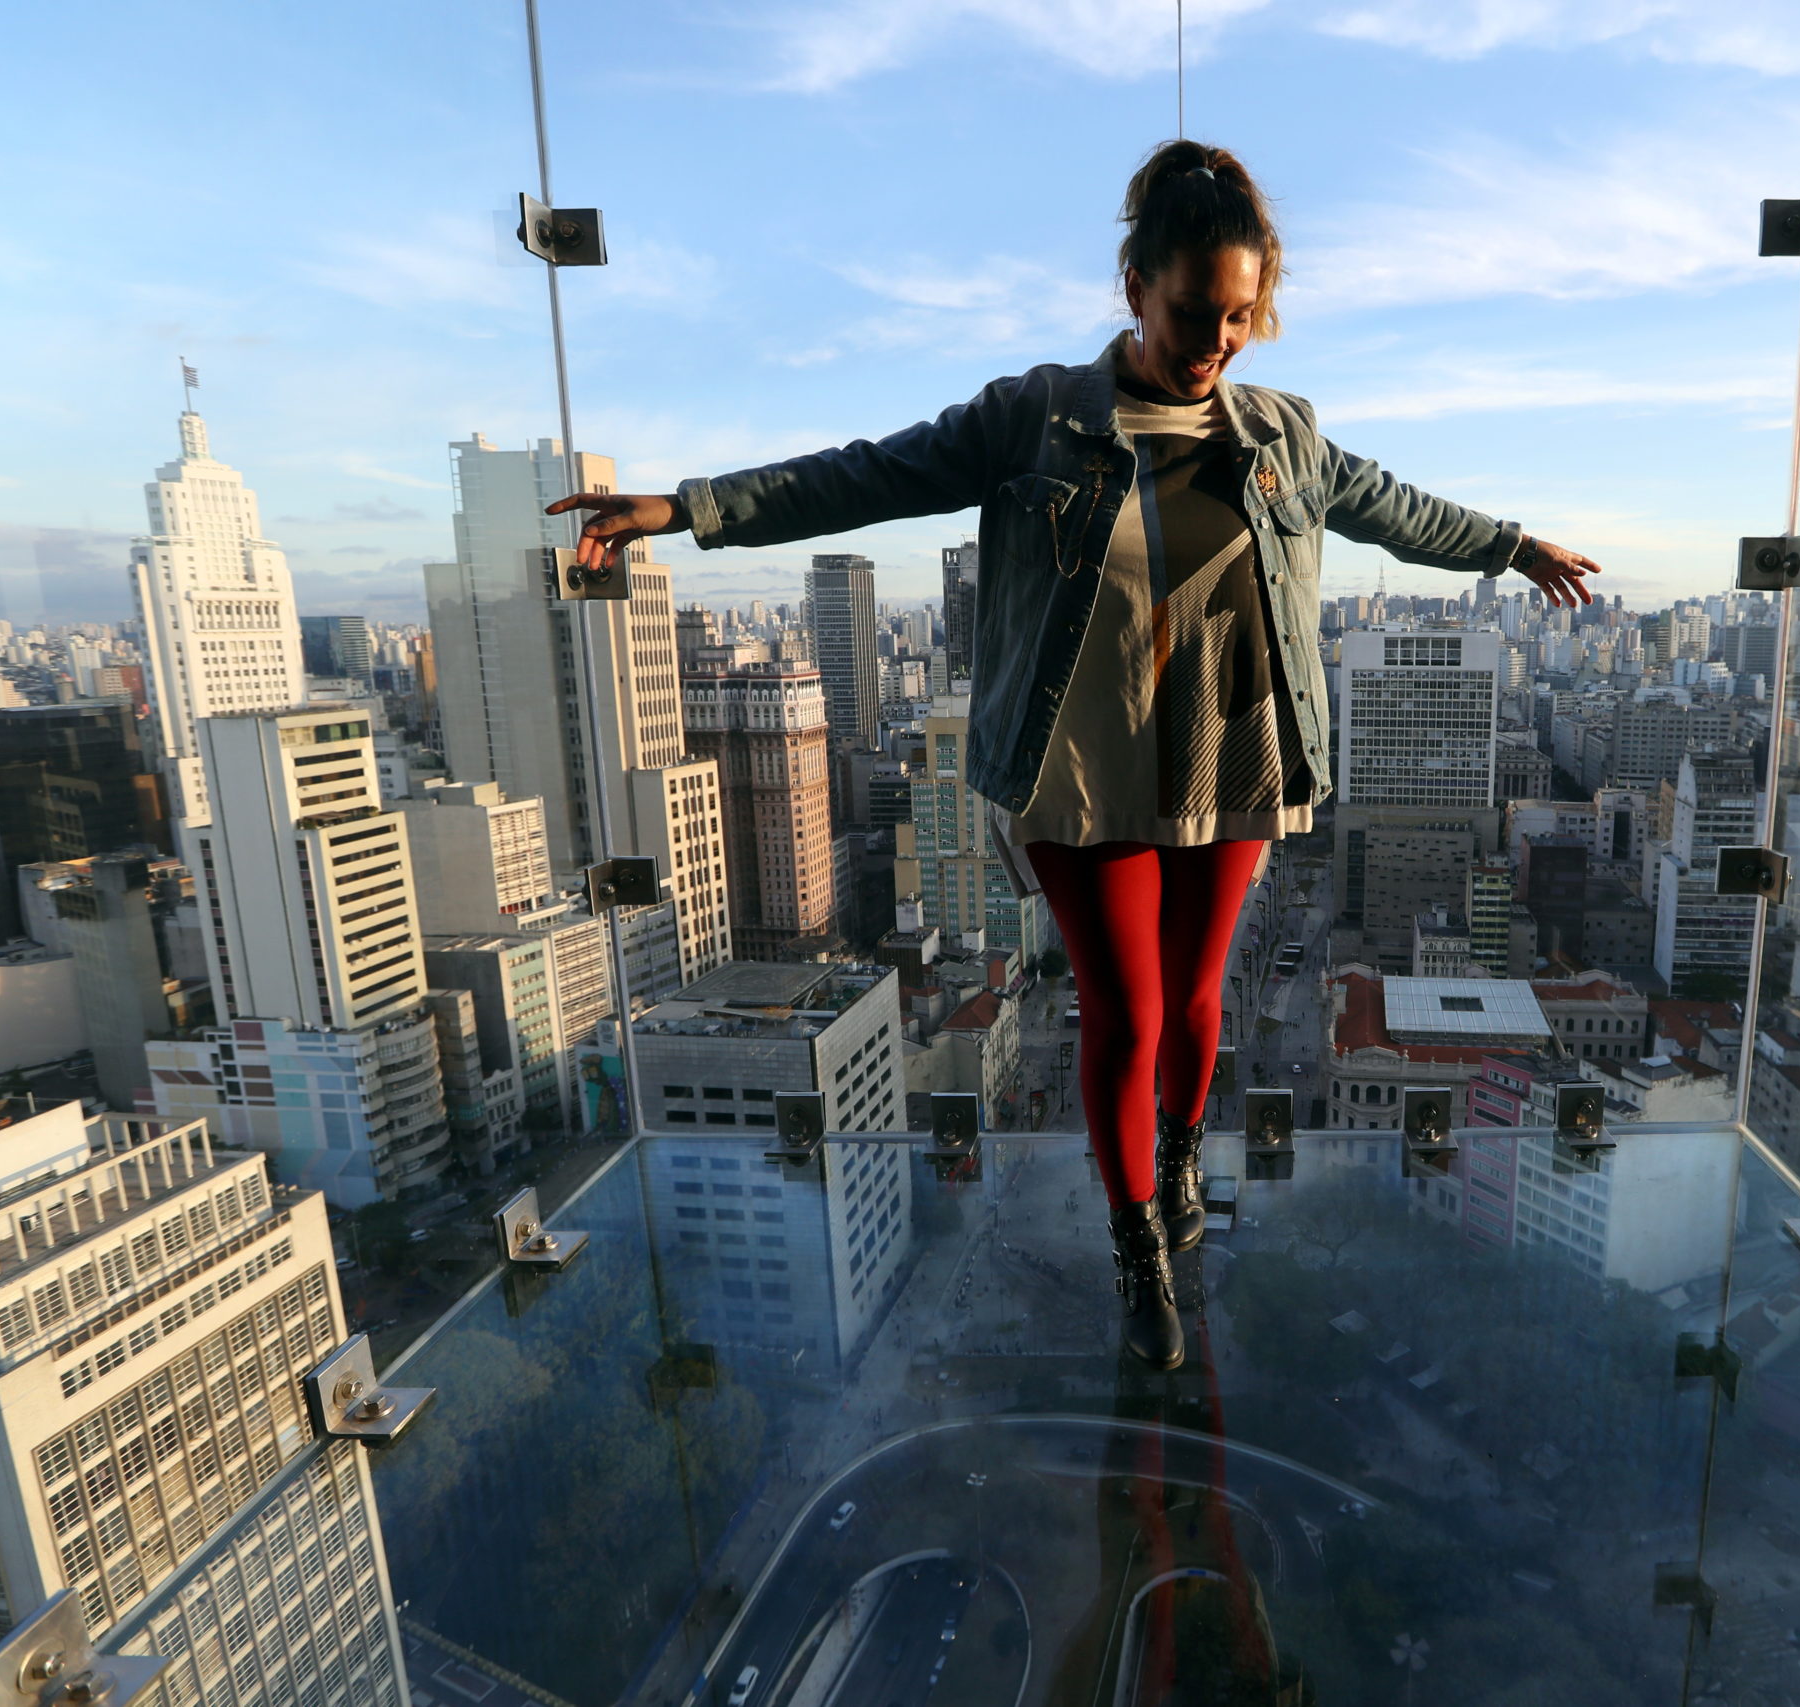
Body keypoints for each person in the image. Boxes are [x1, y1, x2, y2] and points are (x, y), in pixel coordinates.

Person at [549, 139, 1598, 1370]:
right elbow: (869, 474)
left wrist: (1512, 544)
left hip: (1229, 751)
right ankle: (1136, 1236)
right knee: (1125, 1007)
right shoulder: (1037, 416)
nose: (1220, 341)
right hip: (1080, 767)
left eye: (1243, 317)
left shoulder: (1282, 432)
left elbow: (1392, 505)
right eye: (1196, 313)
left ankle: (1176, 1158)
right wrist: (690, 509)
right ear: (1134, 286)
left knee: (1198, 1004)